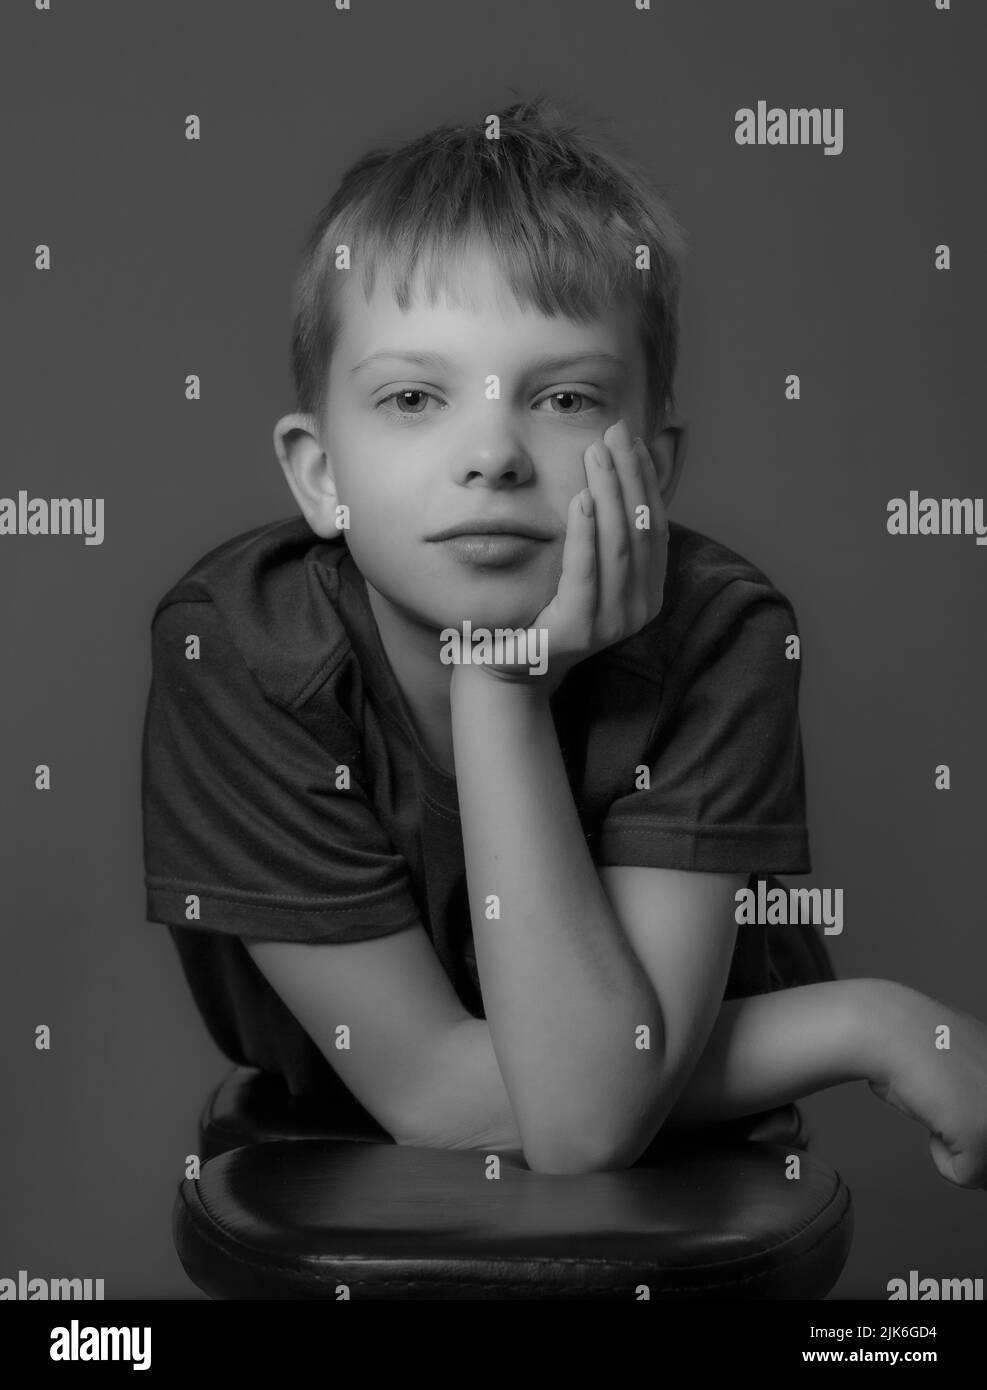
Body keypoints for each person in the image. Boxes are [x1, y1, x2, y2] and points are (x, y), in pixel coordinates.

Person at [141, 96, 987, 1182]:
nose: (492, 452)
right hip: (366, 1139)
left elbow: (589, 1117)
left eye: (567, 397)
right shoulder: (242, 651)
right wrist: (866, 1023)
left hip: (670, 1154)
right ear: (319, 474)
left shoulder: (721, 636)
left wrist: (496, 680)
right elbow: (505, 1105)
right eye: (411, 396)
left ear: (658, 472)